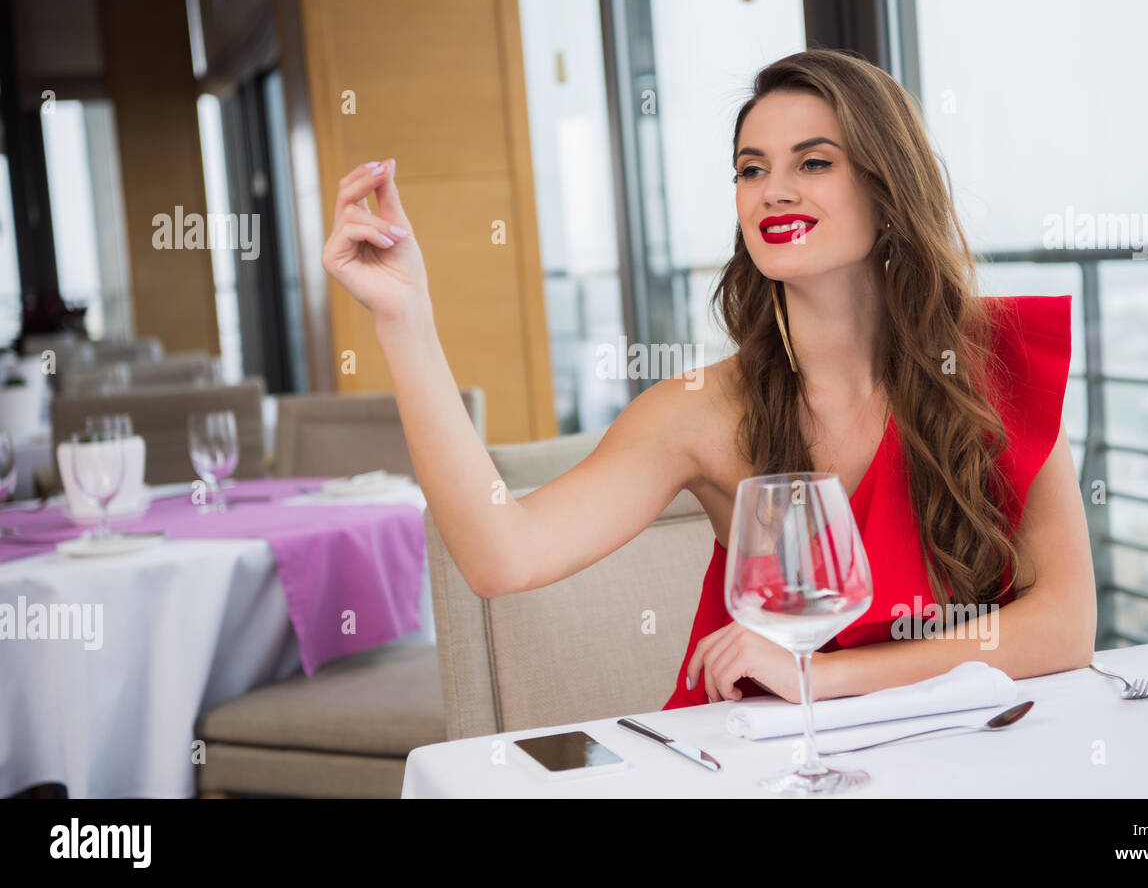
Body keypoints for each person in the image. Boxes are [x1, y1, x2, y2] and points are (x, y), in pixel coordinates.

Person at [322, 48, 1096, 710]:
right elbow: (502, 556)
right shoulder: (702, 412)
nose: (773, 190)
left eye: (813, 163)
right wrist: (405, 321)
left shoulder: (992, 363)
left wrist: (823, 677)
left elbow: (1064, 623)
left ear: (887, 190)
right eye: (751, 169)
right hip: (767, 769)